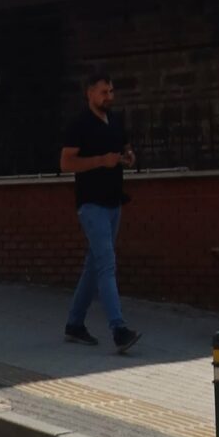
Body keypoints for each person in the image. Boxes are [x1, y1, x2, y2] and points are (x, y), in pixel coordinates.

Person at [59, 68, 141, 353]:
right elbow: (66, 163)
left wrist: (128, 156)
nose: (109, 96)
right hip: (91, 204)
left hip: (114, 202)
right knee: (107, 264)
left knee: (94, 266)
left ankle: (74, 324)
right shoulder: (79, 124)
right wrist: (100, 161)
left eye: (111, 91)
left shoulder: (116, 121)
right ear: (90, 93)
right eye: (104, 92)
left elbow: (125, 147)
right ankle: (119, 330)